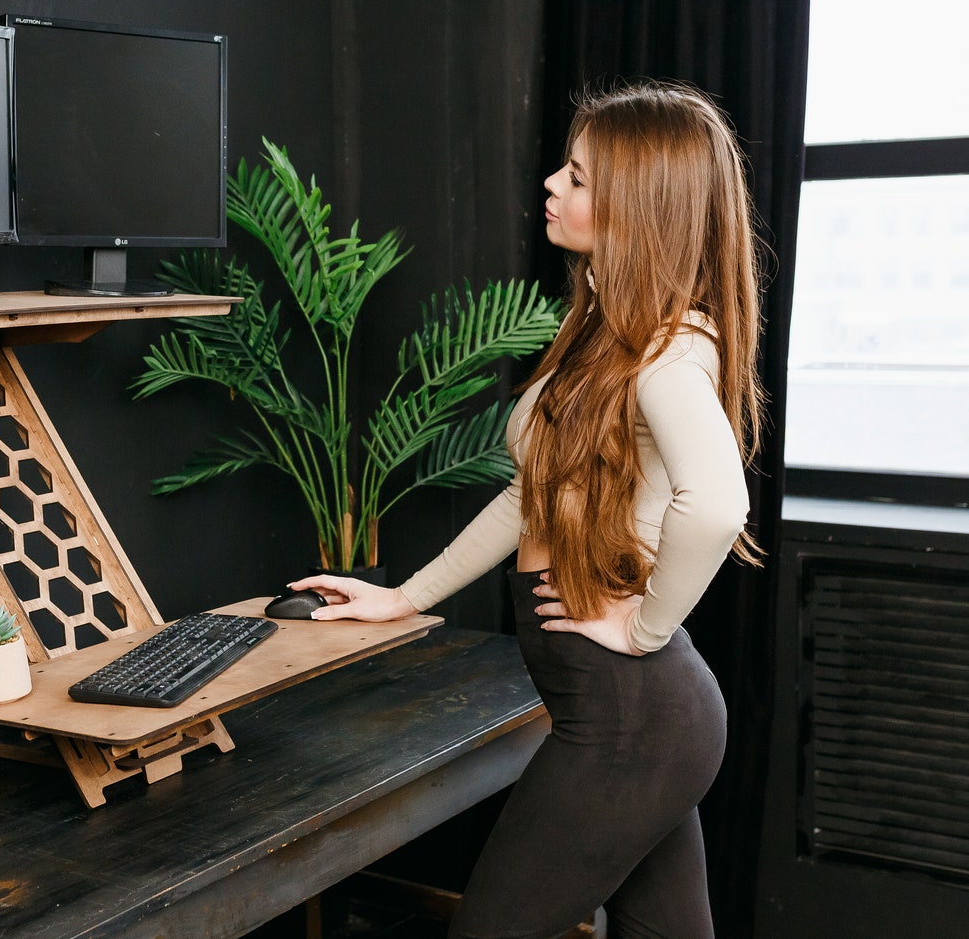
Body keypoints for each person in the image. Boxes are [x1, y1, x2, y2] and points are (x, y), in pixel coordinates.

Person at [288, 81, 764, 939]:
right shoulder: (603, 332)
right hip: (640, 714)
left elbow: (719, 504)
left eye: (578, 177)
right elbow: (530, 494)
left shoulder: (664, 352)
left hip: (631, 713)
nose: (551, 184)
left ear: (636, 207)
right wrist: (404, 596)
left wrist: (646, 628)